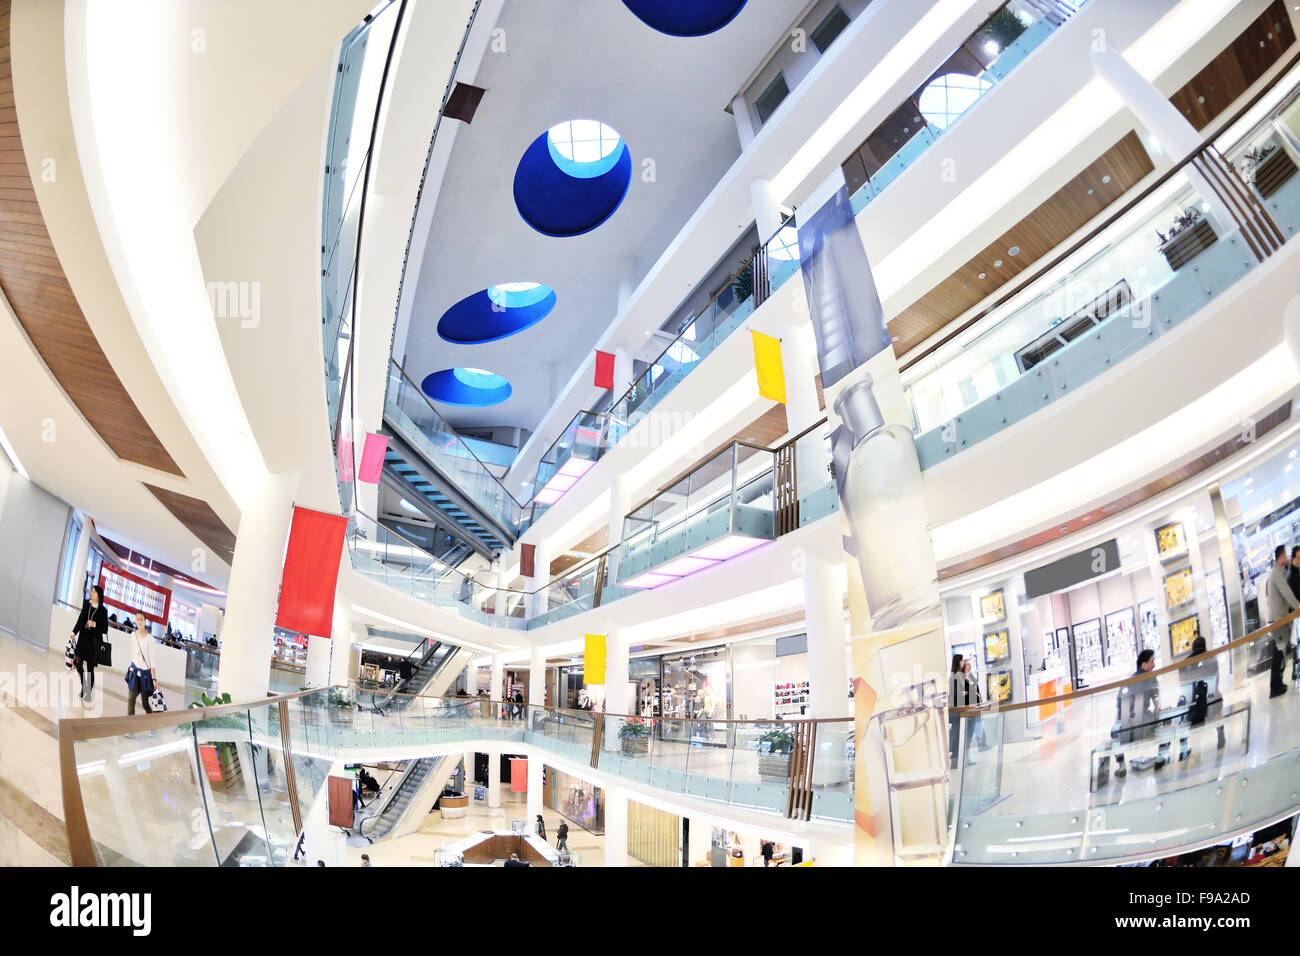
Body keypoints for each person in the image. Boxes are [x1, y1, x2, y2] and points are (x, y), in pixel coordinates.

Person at [1114, 649, 1159, 776]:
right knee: (1165, 722)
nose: (1154, 665)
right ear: (1144, 665)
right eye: (1152, 662)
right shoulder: (1151, 679)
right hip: (1145, 725)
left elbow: (1119, 711)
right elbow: (1157, 705)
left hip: (1127, 729)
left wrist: (1121, 725)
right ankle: (1163, 755)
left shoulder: (1127, 683)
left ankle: (1121, 765)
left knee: (1116, 735)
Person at [1263, 545, 1297, 697]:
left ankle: (1277, 684)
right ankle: (1275, 687)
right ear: (1281, 556)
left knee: (1280, 651)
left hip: (1278, 619)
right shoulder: (1277, 573)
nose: (1288, 558)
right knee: (1279, 652)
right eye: (1285, 555)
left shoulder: (1277, 572)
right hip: (1278, 620)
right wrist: (1298, 606)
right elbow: (1287, 593)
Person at [71, 585, 108, 703]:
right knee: (77, 662)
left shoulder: (103, 610)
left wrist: (94, 624)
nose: (91, 593)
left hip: (94, 642)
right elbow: (81, 618)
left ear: (99, 595)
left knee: (90, 668)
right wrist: (74, 632)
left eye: (93, 592)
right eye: (91, 592)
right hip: (83, 638)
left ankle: (87, 692)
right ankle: (84, 685)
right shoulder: (86, 604)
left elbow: (105, 629)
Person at [124, 617, 156, 717]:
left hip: (145, 675)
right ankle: (130, 724)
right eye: (138, 620)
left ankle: (152, 721)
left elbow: (153, 661)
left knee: (145, 703)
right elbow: (133, 654)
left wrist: (154, 679)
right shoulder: (134, 636)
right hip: (134, 672)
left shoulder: (149, 640)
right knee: (131, 699)